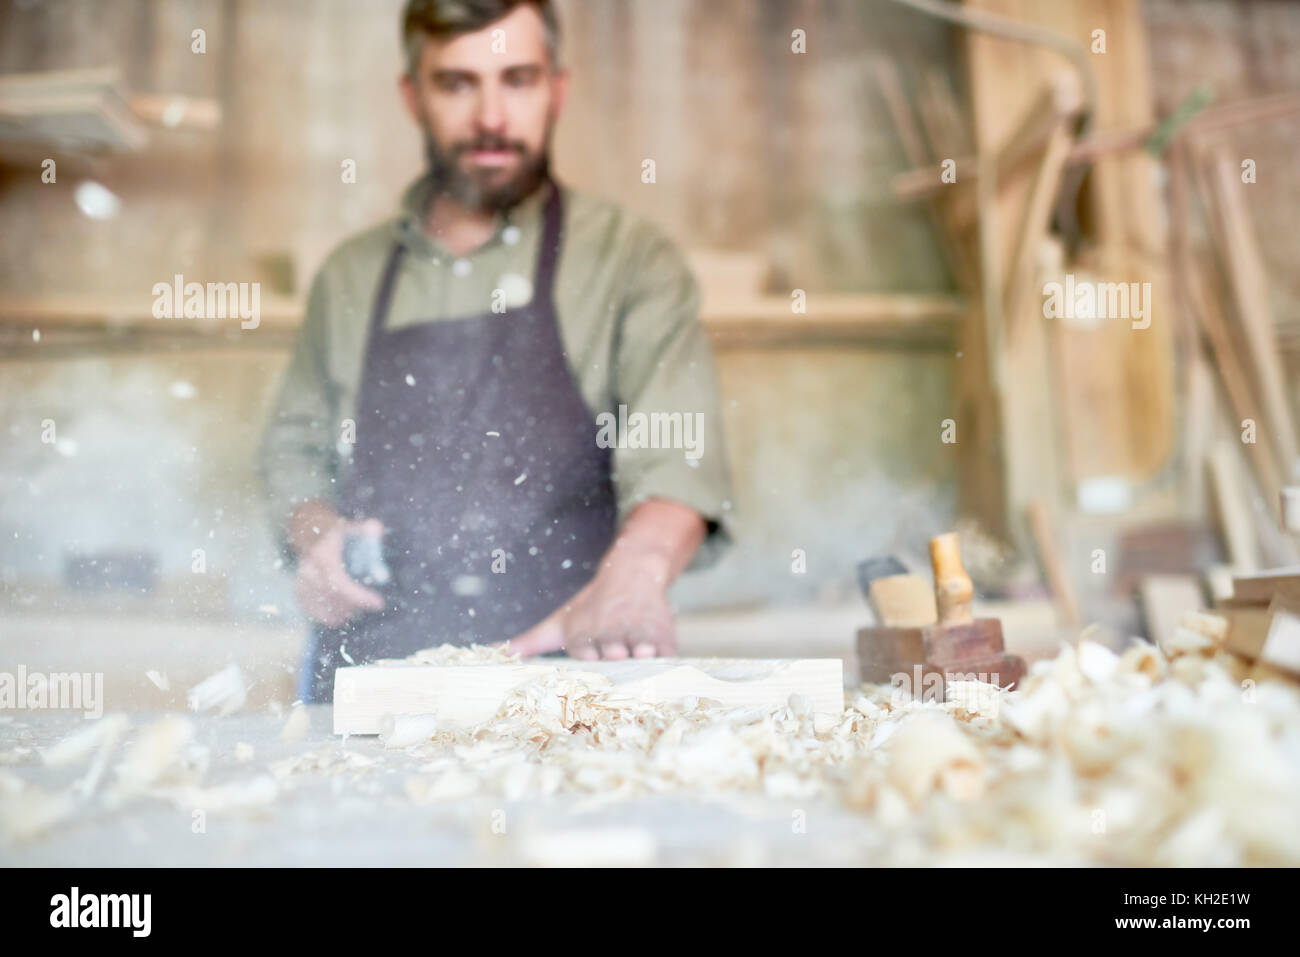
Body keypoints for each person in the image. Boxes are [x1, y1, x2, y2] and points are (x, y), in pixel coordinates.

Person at [258, 0, 732, 702]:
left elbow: (677, 449)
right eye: (457, 83)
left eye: (517, 79)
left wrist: (635, 574)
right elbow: (293, 452)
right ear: (411, 96)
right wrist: (317, 534)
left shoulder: (630, 260)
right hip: (369, 695)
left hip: (571, 689)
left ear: (558, 90)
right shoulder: (350, 277)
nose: (490, 117)